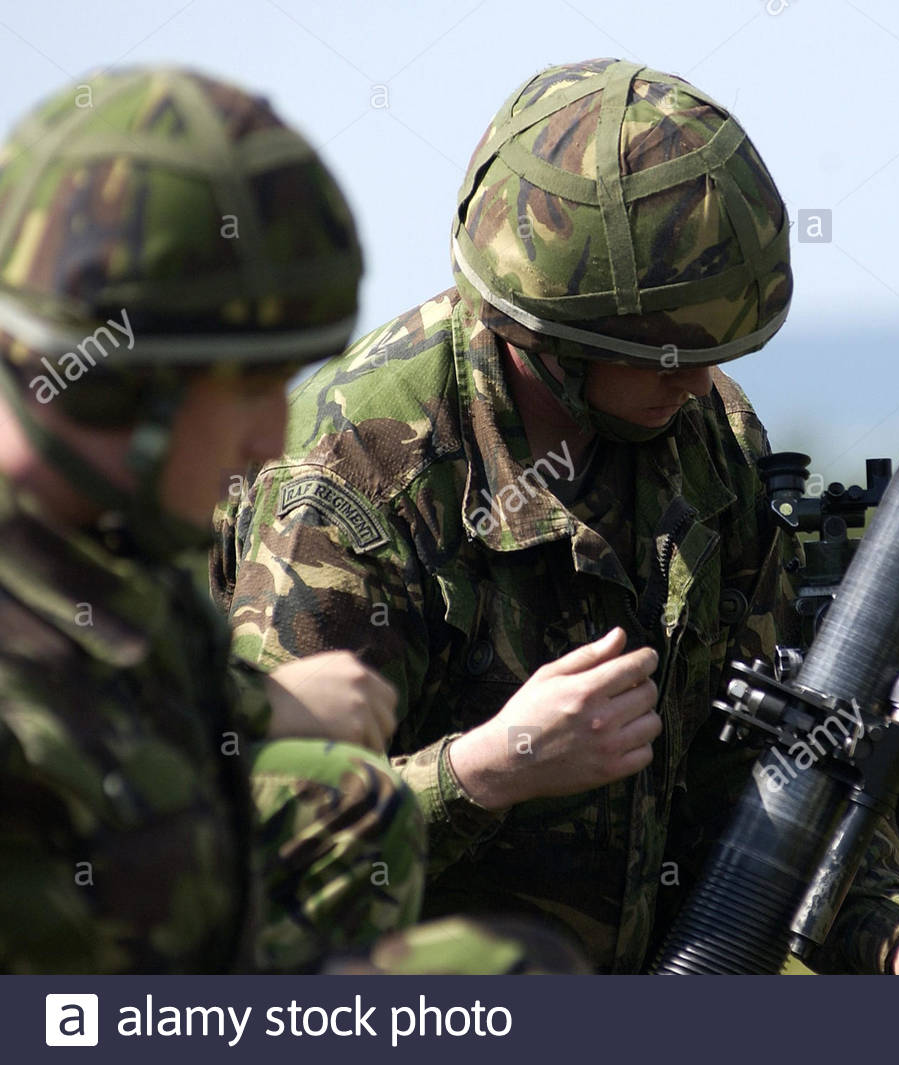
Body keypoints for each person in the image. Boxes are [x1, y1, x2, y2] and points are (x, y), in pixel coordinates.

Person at [214, 57, 899, 975]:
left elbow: (757, 777)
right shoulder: (357, 478)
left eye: (713, 352)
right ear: (549, 336)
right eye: (663, 356)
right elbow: (260, 845)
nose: (698, 384)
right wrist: (489, 768)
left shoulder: (706, 440)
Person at [0, 66, 574, 975]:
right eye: (247, 387)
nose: (273, 438)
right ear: (118, 384)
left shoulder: (112, 549)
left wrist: (267, 705)